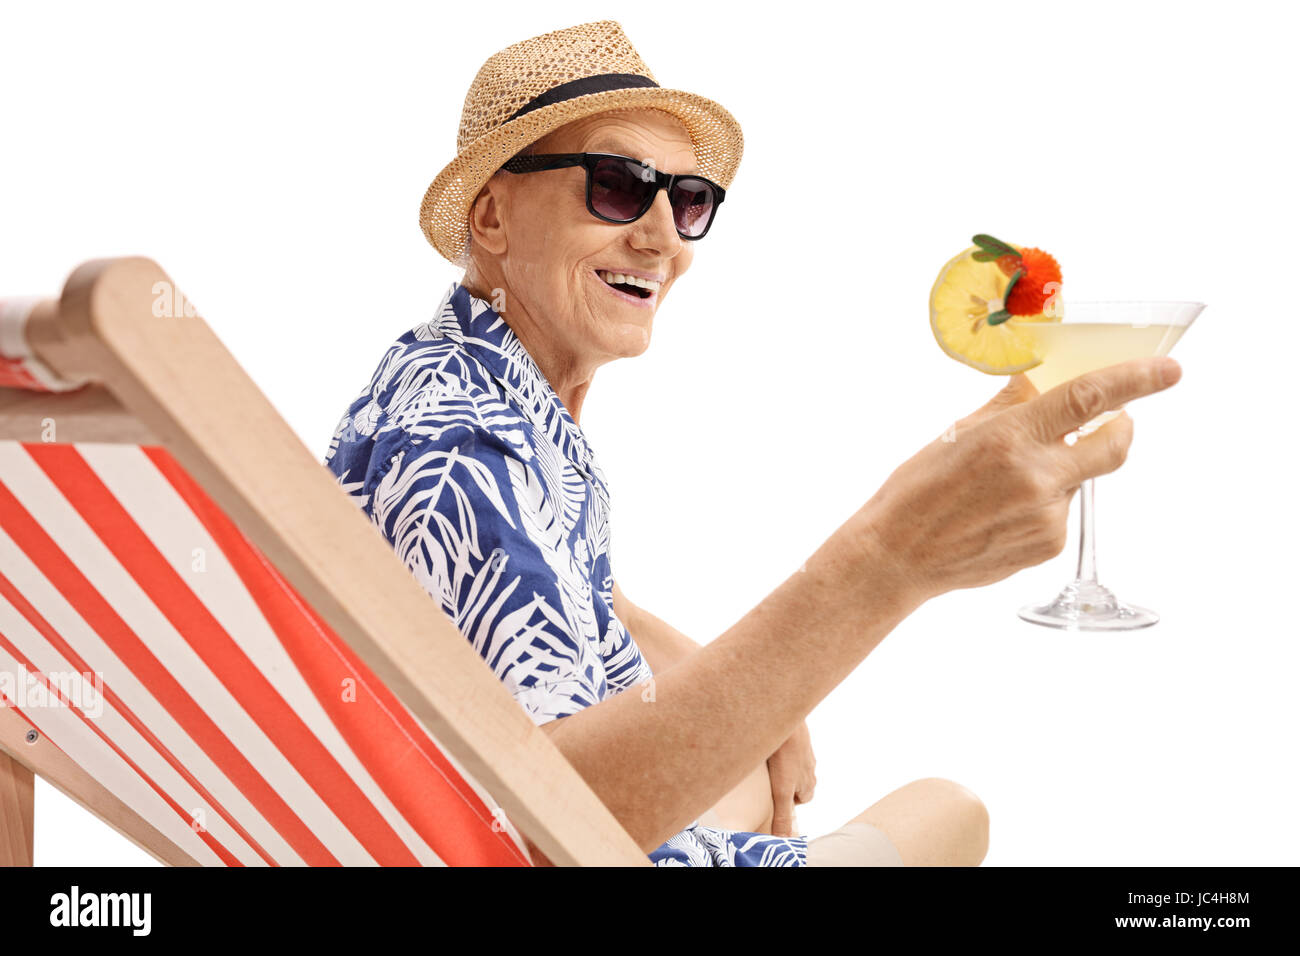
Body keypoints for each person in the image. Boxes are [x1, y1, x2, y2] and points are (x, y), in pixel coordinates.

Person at [324, 20, 1182, 866]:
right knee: (950, 813)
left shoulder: (469, 376)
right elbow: (548, 832)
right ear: (492, 214)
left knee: (781, 782)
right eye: (617, 186)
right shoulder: (462, 444)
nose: (664, 239)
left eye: (687, 200)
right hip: (545, 843)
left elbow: (588, 595)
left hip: (515, 803)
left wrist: (773, 713)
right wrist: (890, 560)